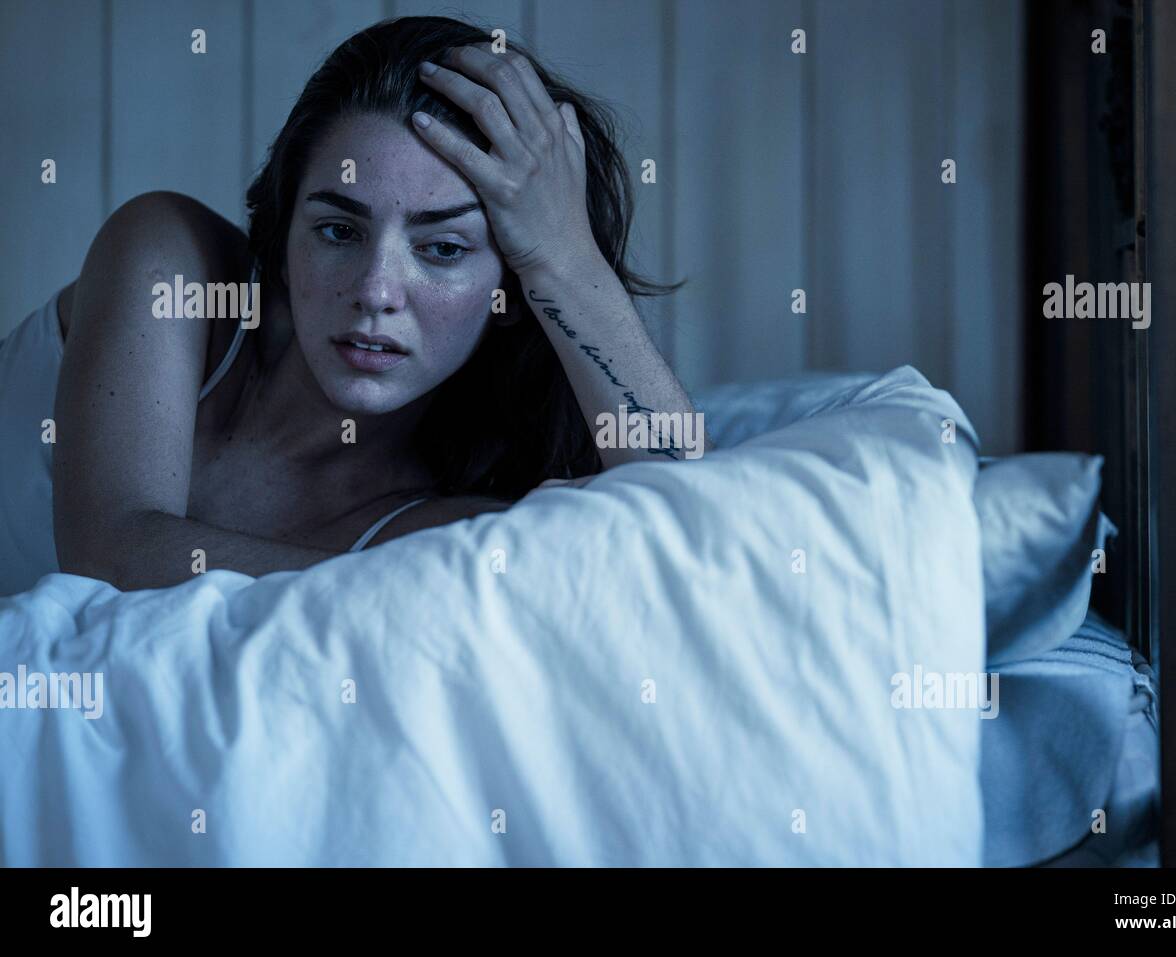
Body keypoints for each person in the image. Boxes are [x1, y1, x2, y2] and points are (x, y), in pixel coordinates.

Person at [0, 16, 702, 595]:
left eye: (443, 250)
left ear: (511, 294)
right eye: (339, 231)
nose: (374, 291)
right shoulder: (171, 265)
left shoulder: (432, 519)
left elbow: (694, 539)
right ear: (281, 234)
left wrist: (566, 259)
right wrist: (404, 582)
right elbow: (109, 554)